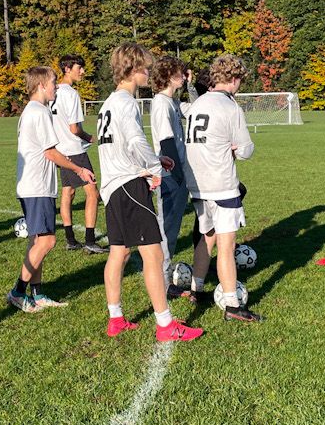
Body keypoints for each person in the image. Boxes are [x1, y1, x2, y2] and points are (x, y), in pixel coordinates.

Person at [97, 43, 204, 342]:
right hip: (130, 186)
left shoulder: (107, 103)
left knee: (118, 252)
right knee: (154, 255)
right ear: (132, 69)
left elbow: (115, 147)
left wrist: (151, 164)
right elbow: (134, 142)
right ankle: (166, 324)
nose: (148, 72)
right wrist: (154, 168)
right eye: (144, 67)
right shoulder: (127, 103)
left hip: (113, 186)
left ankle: (115, 317)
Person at [8, 66, 98, 312]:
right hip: (36, 186)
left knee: (38, 241)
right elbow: (50, 152)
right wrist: (79, 169)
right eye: (53, 83)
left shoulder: (33, 110)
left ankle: (37, 294)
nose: (56, 87)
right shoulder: (39, 112)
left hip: (32, 186)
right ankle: (18, 292)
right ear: (41, 86)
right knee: (47, 241)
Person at [184, 54, 261, 322]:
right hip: (221, 183)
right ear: (234, 78)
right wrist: (236, 149)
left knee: (207, 236)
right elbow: (246, 150)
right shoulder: (230, 107)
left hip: (197, 183)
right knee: (226, 246)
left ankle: (196, 288)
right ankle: (232, 304)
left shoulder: (196, 104)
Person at [50, 55, 107, 254]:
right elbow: (74, 128)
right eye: (79, 68)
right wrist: (89, 137)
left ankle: (70, 239)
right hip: (74, 149)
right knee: (92, 192)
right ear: (67, 69)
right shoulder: (71, 93)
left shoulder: (53, 90)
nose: (82, 71)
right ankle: (90, 240)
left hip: (60, 149)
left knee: (68, 191)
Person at [149, 56, 192, 298]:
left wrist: (192, 86)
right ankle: (163, 285)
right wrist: (176, 175)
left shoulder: (173, 102)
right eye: (180, 73)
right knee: (166, 230)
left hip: (178, 174)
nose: (184, 77)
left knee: (172, 231)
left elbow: (198, 108)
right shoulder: (161, 103)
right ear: (168, 76)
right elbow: (166, 142)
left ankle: (165, 282)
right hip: (169, 176)